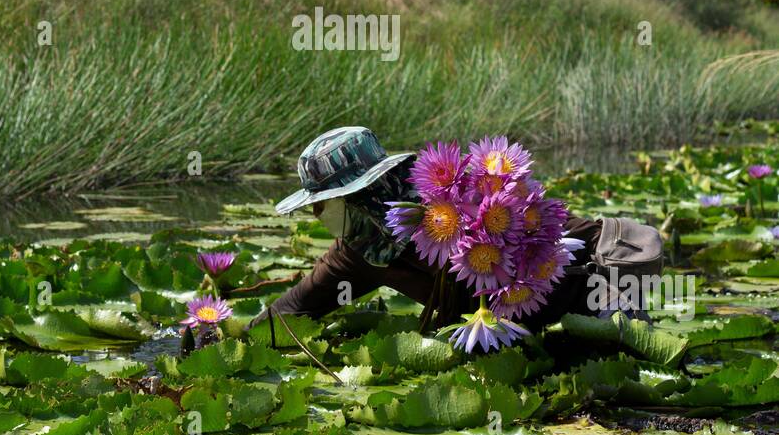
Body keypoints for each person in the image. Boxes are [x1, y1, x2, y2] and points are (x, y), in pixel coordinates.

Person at [249, 126, 617, 338]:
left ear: (360, 194)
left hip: (599, 297)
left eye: (322, 202)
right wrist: (227, 338)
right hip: (520, 337)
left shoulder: (469, 203)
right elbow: (297, 307)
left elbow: (587, 241)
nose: (314, 214)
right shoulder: (358, 253)